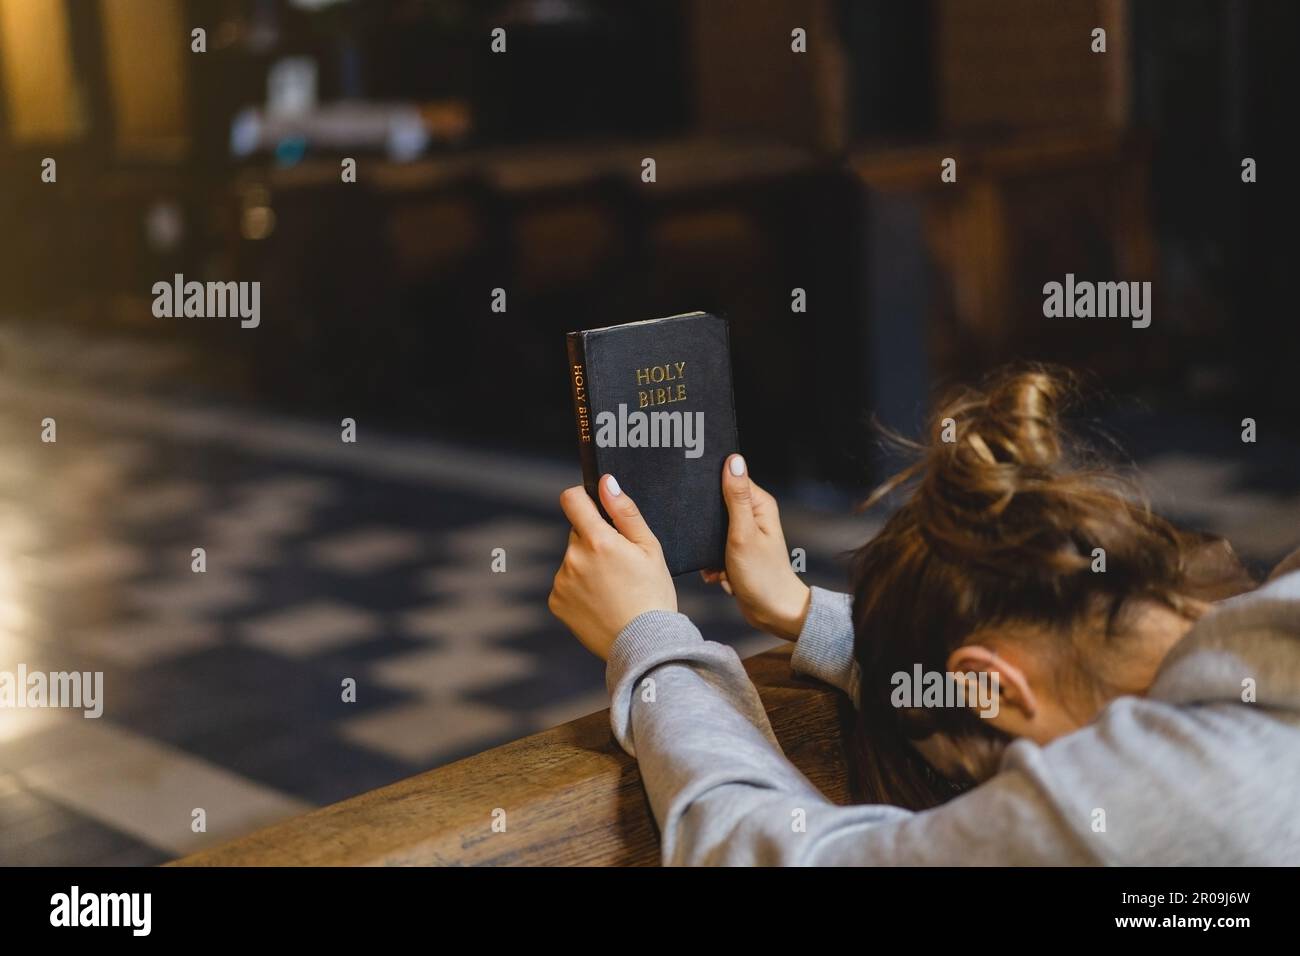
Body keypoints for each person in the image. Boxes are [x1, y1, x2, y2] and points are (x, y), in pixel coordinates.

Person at [548, 367, 1300, 864]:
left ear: (993, 689)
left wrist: (648, 639)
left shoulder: (1177, 794)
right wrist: (805, 612)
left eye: (1001, 776)